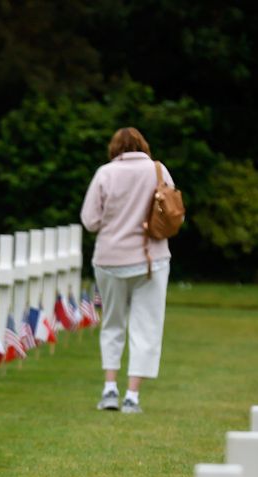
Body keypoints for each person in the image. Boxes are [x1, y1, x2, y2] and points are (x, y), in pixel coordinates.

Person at [80, 127, 175, 414]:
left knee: (112, 323)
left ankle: (110, 389)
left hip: (109, 259)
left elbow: (90, 221)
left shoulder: (105, 173)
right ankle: (132, 396)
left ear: (115, 148)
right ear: (143, 145)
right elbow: (172, 209)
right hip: (152, 258)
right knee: (146, 326)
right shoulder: (158, 170)